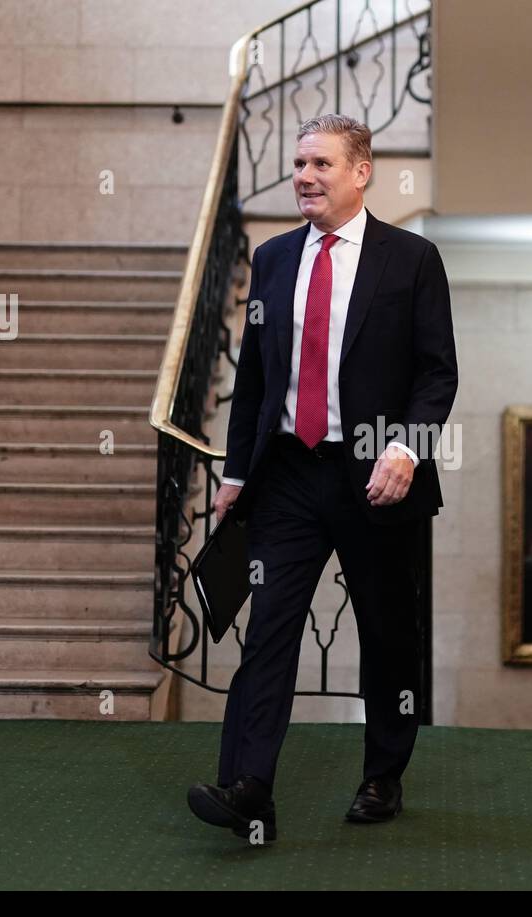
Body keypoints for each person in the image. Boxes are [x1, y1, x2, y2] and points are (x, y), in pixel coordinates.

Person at [186, 113, 458, 843]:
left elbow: (437, 374)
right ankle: (250, 790)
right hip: (289, 477)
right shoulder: (273, 260)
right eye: (299, 163)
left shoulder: (411, 260)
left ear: (361, 171)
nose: (304, 176)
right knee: (268, 631)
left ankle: (382, 775)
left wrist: (406, 450)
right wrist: (237, 472)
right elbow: (255, 381)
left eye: (321, 165)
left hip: (377, 475)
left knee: (388, 636)